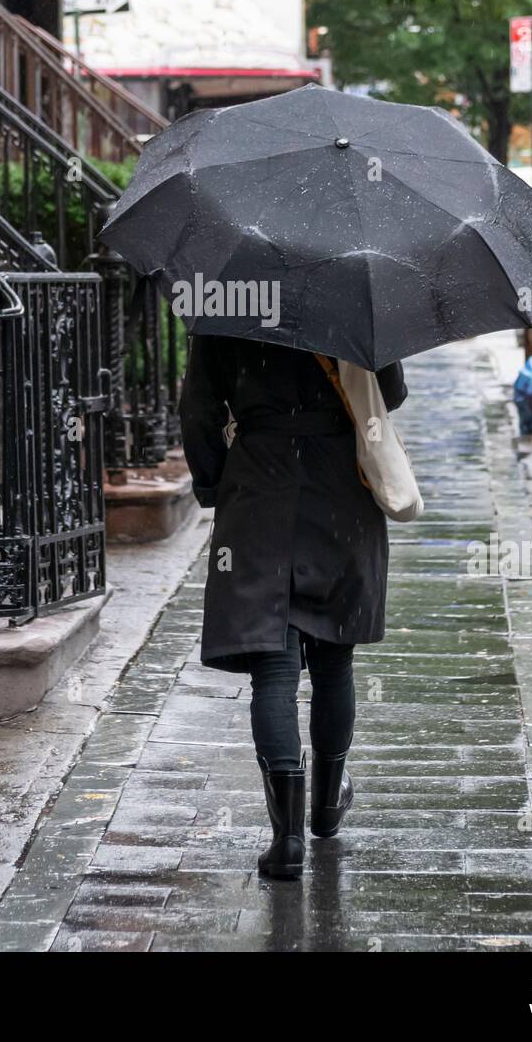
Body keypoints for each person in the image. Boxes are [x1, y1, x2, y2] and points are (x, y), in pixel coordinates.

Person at [178, 335, 408, 880]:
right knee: (334, 659)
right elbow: (391, 392)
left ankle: (286, 841)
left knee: (273, 671)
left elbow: (198, 409)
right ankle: (326, 808)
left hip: (260, 486)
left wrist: (215, 481)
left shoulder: (228, 299)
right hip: (340, 487)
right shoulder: (355, 295)